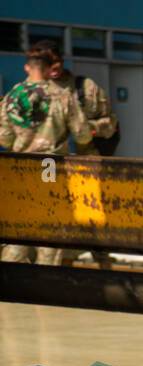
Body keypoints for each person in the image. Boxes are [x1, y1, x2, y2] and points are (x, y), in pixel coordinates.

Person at [0, 46, 92, 266]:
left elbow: (4, 138)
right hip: (50, 166)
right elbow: (83, 135)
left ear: (27, 67)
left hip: (19, 167)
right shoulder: (63, 96)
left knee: (20, 223)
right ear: (49, 68)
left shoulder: (12, 96)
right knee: (50, 223)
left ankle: (9, 275)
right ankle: (47, 278)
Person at [30, 39, 119, 156]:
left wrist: (86, 129)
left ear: (61, 60)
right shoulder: (29, 92)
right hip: (45, 161)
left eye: (56, 61)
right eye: (47, 63)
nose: (53, 66)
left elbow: (111, 124)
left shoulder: (86, 87)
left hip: (84, 163)